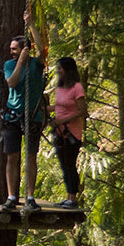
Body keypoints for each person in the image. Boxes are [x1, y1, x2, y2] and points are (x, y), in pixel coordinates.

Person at [0, 31, 45, 209]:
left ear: (25, 49)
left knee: (31, 156)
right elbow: (12, 82)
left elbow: (43, 51)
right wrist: (20, 62)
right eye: (11, 49)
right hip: (13, 116)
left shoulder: (36, 64)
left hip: (32, 116)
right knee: (12, 156)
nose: (12, 52)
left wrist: (31, 24)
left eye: (15, 49)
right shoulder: (10, 64)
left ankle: (30, 197)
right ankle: (11, 196)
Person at [50, 56, 85, 210]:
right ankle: (68, 197)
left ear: (68, 70)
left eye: (60, 69)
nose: (58, 71)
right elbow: (58, 107)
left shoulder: (77, 87)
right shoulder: (60, 88)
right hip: (60, 134)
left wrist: (63, 120)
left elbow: (82, 111)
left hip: (72, 133)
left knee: (70, 165)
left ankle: (73, 197)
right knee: (64, 165)